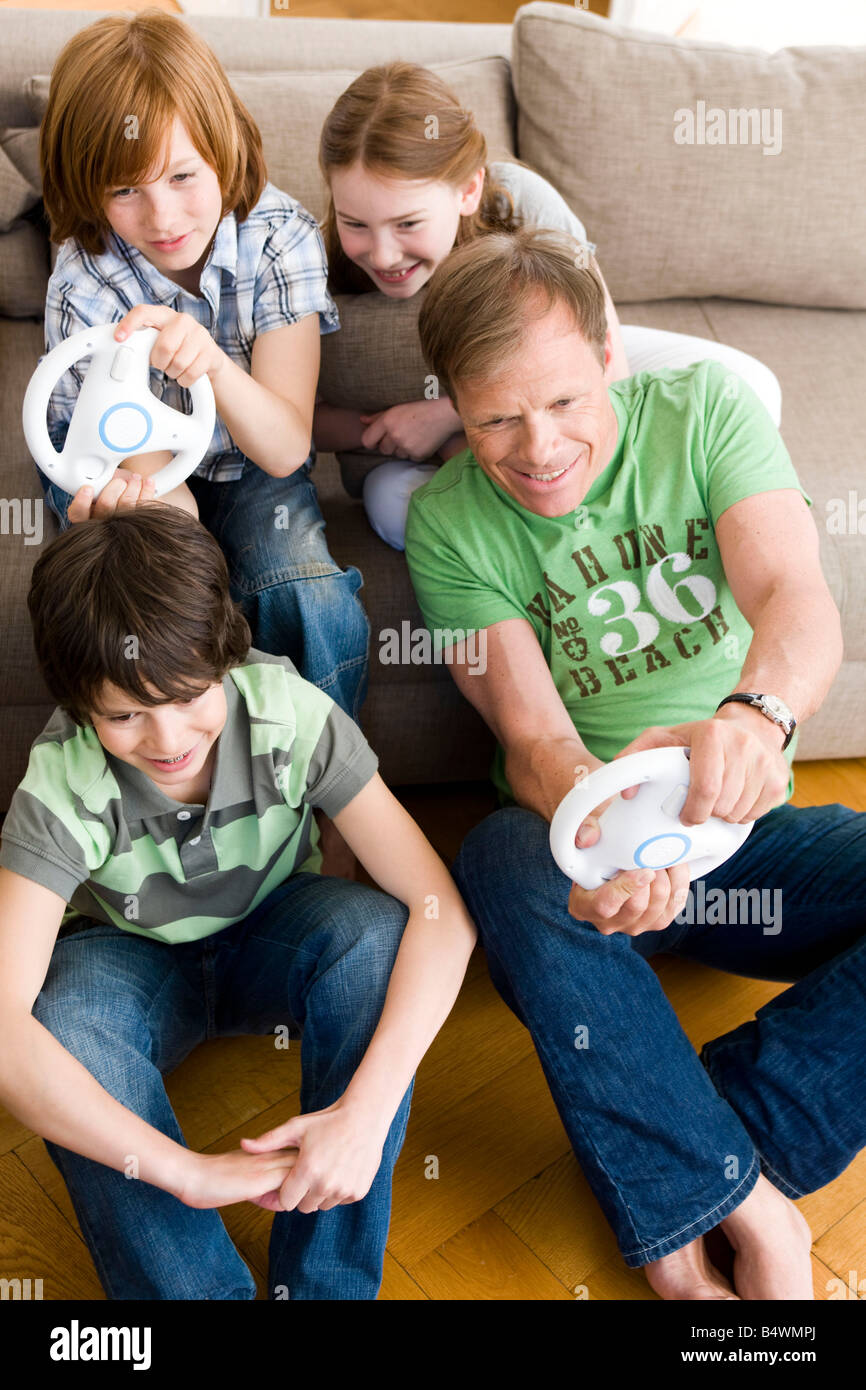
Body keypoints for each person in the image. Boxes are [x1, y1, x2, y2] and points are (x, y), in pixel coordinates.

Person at [404, 225, 866, 1301]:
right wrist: (611, 829)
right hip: (579, 867)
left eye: (563, 401)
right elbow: (534, 740)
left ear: (609, 351)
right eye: (495, 420)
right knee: (497, 858)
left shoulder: (704, 407)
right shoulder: (446, 524)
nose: (538, 448)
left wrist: (752, 717)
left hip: (746, 849)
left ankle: (702, 1136)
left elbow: (792, 597)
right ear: (456, 408)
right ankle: (745, 1223)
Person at [0, 504, 476, 1300]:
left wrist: (363, 1114)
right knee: (66, 1028)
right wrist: (182, 1173)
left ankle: (327, 1285)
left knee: (378, 935)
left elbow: (440, 910)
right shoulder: (62, 782)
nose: (167, 738)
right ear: (82, 706)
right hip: (126, 953)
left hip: (273, 926)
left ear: (226, 655)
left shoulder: (289, 713)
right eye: (124, 714)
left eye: (190, 694)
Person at [36, 11, 369, 722]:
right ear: (89, 189)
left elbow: (283, 449)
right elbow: (159, 493)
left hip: (250, 461)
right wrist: (179, 547)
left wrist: (211, 361)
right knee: (149, 618)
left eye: (184, 175)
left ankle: (333, 795)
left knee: (304, 594)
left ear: (224, 149)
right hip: (122, 465)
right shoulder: (84, 282)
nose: (163, 216)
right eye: (126, 190)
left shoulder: (281, 238)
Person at [313, 62, 782, 551]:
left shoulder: (520, 203)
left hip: (566, 375)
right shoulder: (320, 263)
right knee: (397, 502)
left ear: (468, 190)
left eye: (408, 224)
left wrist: (449, 414)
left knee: (751, 387)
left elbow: (608, 363)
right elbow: (303, 419)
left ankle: (659, 511)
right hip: (425, 453)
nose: (384, 254)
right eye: (357, 224)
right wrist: (401, 429)